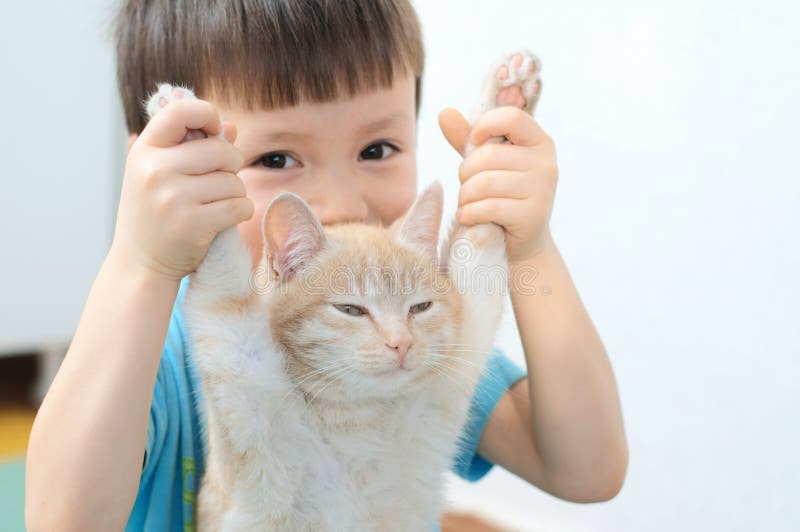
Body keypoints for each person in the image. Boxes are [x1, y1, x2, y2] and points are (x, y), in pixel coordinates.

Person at [24, 1, 628, 530]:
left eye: (376, 149)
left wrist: (527, 242)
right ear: (159, 167)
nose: (341, 202)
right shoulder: (152, 355)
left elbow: (587, 469)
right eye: (277, 156)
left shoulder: (411, 335)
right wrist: (142, 261)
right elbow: (62, 520)